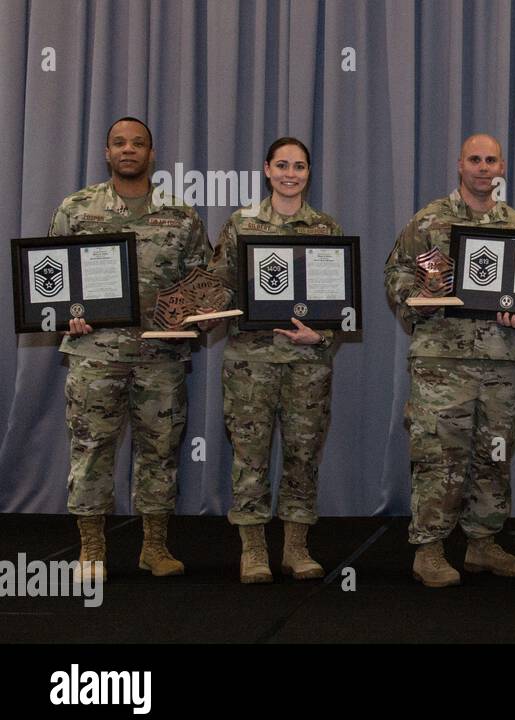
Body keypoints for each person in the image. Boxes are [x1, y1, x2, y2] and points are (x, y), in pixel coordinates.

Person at [55, 116, 211, 582]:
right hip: (94, 352)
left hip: (159, 357)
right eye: (119, 143)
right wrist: (67, 311)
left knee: (160, 451)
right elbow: (51, 276)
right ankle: (91, 549)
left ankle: (155, 547)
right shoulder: (77, 209)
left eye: (137, 143)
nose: (128, 150)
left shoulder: (181, 214)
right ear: (107, 153)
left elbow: (203, 282)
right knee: (91, 448)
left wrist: (190, 313)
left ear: (151, 153)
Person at [384, 133, 515, 587]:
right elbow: (395, 274)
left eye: (491, 160)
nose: (483, 167)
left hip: (500, 361)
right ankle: (429, 549)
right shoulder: (429, 220)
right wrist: (421, 294)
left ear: (502, 167)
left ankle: (483, 544)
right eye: (475, 159)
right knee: (438, 456)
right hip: (441, 362)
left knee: (494, 454)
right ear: (460, 165)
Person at [208, 137, 343, 584]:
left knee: (303, 455)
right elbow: (218, 289)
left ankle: (297, 548)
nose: (291, 173)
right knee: (250, 456)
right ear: (266, 169)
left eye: (300, 166)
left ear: (309, 172)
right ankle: (253, 551)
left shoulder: (325, 229)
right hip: (251, 363)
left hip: (307, 363)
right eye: (282, 165)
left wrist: (320, 333)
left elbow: (341, 307)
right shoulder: (240, 225)